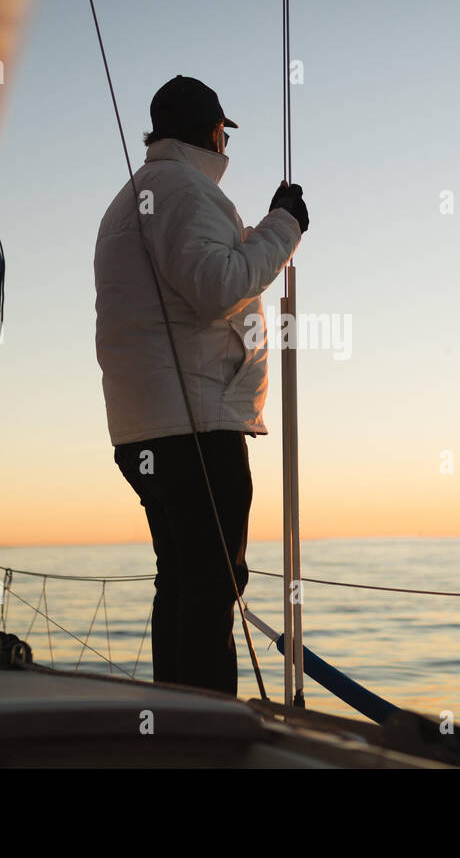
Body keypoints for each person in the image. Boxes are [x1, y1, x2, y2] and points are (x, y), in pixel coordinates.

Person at [94, 75, 309, 695]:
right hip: (193, 427)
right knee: (212, 584)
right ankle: (208, 734)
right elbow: (216, 284)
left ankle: (174, 726)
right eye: (224, 131)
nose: (226, 143)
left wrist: (263, 230)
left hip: (146, 429)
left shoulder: (134, 197)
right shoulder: (181, 190)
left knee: (183, 580)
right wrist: (284, 226)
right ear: (212, 131)